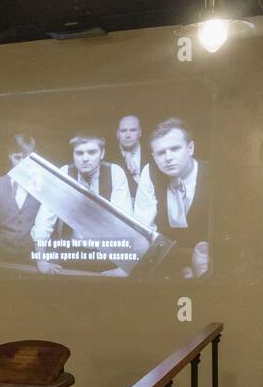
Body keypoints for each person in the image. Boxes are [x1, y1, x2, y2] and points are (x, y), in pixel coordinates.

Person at [31, 134, 132, 274]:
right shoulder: (64, 173)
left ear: (102, 153)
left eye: (92, 152)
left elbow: (125, 222)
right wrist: (41, 260)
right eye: (79, 153)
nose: (85, 158)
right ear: (73, 154)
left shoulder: (115, 173)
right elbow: (44, 220)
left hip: (108, 256)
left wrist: (125, 267)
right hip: (71, 255)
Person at [135, 118, 210, 278]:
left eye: (175, 149)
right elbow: (144, 230)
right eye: (161, 153)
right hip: (167, 260)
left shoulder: (214, 173)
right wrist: (177, 263)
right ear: (153, 156)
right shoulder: (150, 173)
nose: (168, 158)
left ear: (190, 148)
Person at [0, 134, 41, 265]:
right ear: (10, 155)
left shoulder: (40, 188)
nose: (21, 163)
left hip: (32, 258)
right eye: (17, 157)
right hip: (4, 256)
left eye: (26, 158)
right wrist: (7, 239)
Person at [115, 115, 144, 198]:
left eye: (133, 130)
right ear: (117, 134)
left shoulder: (152, 153)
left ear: (140, 132)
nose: (128, 135)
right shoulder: (107, 157)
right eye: (123, 131)